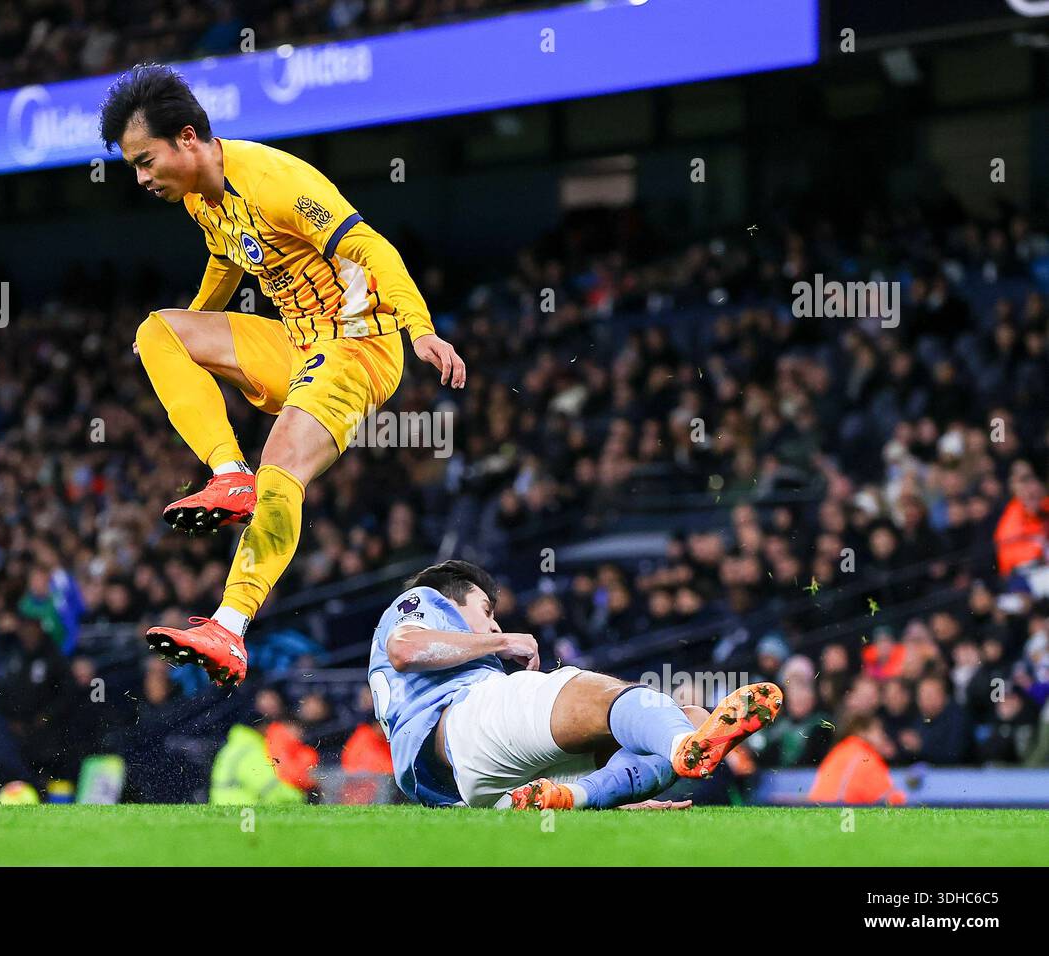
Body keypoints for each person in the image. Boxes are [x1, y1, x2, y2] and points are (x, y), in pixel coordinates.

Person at [98, 64, 466, 688]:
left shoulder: (272, 182)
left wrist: (419, 325)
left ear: (187, 138)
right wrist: (192, 342)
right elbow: (227, 260)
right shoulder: (198, 198)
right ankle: (227, 476)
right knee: (158, 331)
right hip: (297, 341)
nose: (140, 177)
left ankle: (229, 626)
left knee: (283, 467)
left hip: (360, 346)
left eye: (144, 159)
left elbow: (370, 248)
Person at [367, 560, 782, 810]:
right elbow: (407, 648)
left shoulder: (456, 669)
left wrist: (625, 796)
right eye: (486, 608)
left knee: (687, 716)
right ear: (451, 598)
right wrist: (504, 640)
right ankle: (682, 748)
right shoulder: (425, 597)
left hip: (467, 784)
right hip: (464, 724)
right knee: (602, 693)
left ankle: (584, 796)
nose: (494, 622)